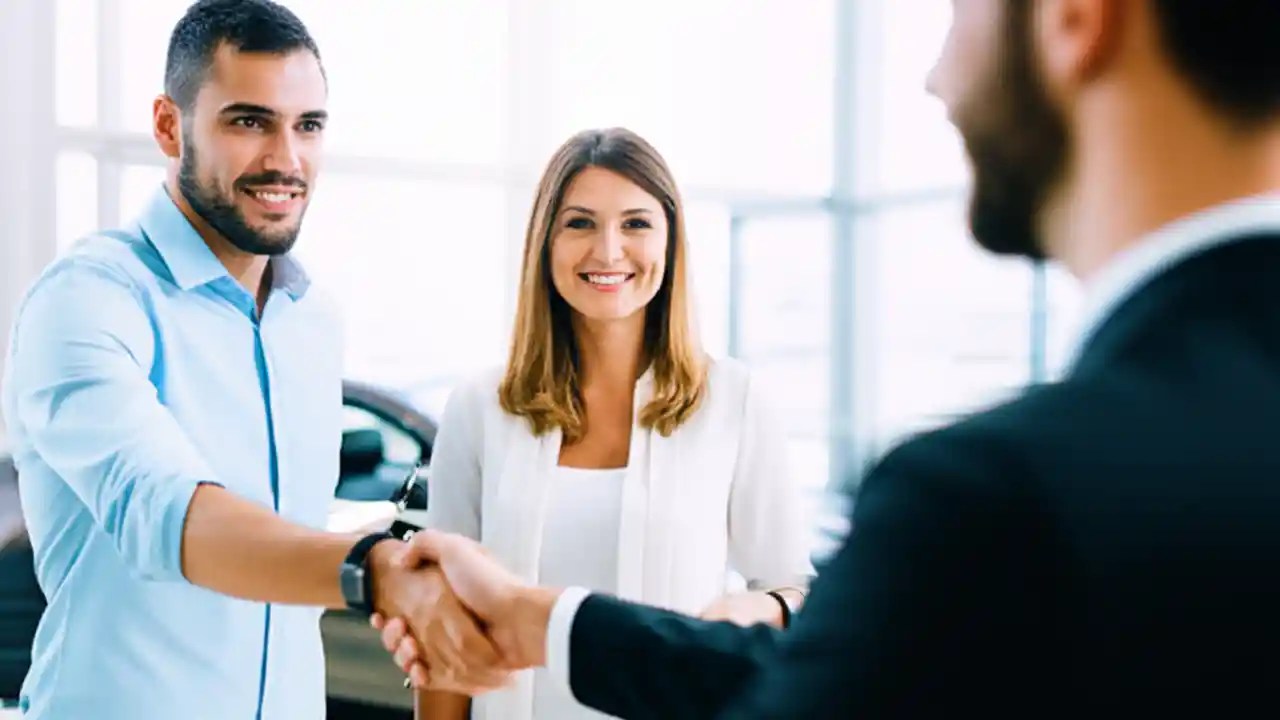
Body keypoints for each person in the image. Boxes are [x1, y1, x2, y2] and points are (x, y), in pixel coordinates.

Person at [375, 0, 1280, 717]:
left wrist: (545, 623)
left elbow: (802, 675)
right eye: (580, 223)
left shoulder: (987, 502)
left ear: (1076, 18)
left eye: (959, 8)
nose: (932, 79)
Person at [0, 1, 496, 718]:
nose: (286, 159)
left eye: (308, 126)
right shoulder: (88, 298)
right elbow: (163, 509)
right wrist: (373, 573)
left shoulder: (312, 319)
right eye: (248, 121)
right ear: (170, 127)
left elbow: (280, 540)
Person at [411, 127, 814, 720]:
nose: (607, 251)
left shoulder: (735, 401)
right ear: (544, 243)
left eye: (635, 224)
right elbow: (441, 624)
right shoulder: (480, 405)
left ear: (670, 242)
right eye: (579, 223)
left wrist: (752, 611)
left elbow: (791, 590)